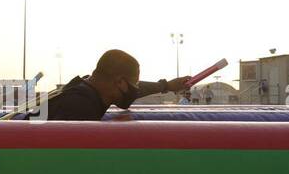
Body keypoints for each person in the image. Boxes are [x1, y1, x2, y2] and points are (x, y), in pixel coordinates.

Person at [47, 50, 189, 121]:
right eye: (134, 84)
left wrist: (166, 86)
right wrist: (110, 131)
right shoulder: (80, 107)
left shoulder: (83, 87)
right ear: (120, 82)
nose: (136, 90)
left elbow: (137, 89)